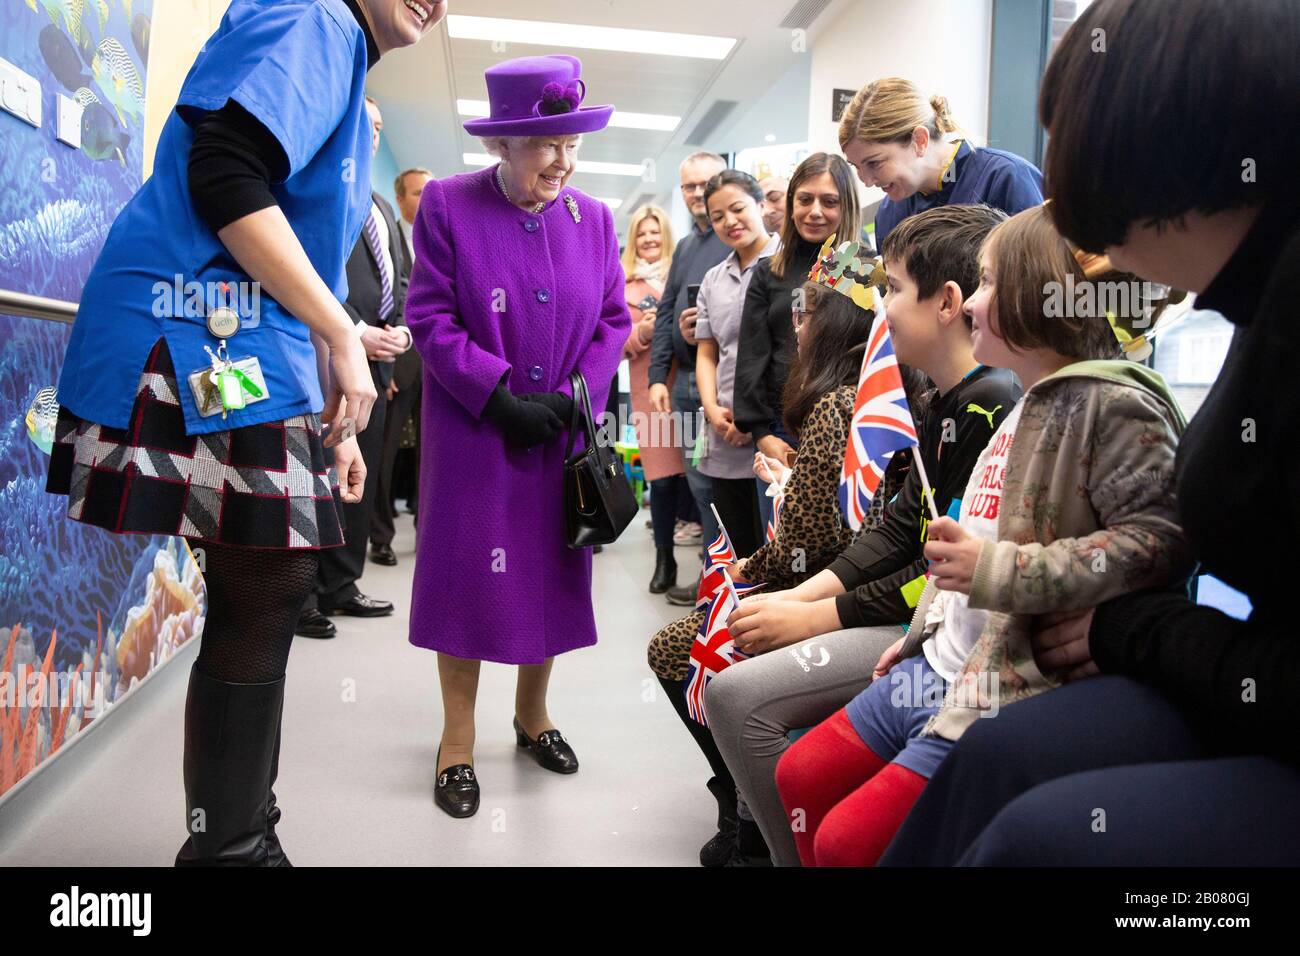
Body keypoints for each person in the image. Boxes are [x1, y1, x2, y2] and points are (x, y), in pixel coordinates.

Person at [883, 0, 1300, 867]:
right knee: (998, 759)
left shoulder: (1103, 398)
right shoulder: (1255, 302)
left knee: (1039, 841)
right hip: (1214, 664)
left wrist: (1135, 634)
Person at [45, 0, 446, 865]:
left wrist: (331, 408)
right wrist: (341, 335)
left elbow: (285, 247)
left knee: (268, 579)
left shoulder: (341, 54)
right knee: (268, 577)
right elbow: (227, 174)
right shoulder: (320, 18)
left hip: (238, 340)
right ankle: (230, 847)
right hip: (190, 326)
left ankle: (235, 838)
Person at [777, 204, 1193, 867]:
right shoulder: (1025, 402)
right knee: (801, 774)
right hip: (938, 660)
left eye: (990, 283)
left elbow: (1157, 543)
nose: (972, 300)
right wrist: (922, 631)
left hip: (1000, 686)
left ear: (1036, 297)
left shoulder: (1115, 404)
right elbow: (963, 548)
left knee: (846, 841)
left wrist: (996, 569)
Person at [707, 204, 1019, 865]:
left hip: (939, 641)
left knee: (736, 696)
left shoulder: (991, 404)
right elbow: (901, 530)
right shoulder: (938, 399)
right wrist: (800, 601)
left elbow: (930, 580)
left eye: (894, 290)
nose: (880, 307)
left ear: (947, 302)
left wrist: (818, 617)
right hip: (914, 631)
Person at [404, 54, 630, 819]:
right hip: (476, 437)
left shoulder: (595, 220)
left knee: (551, 580)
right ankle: (457, 744)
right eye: (545, 144)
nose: (563, 160)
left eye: (572, 142)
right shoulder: (447, 205)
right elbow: (428, 317)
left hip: (562, 439)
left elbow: (613, 322)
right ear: (501, 146)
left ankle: (533, 717)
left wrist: (578, 395)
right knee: (469, 582)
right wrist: (495, 394)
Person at [648, 241, 915, 866]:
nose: (797, 324)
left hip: (840, 594)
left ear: (834, 321)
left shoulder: (832, 406)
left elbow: (805, 542)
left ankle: (745, 812)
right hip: (849, 580)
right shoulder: (882, 395)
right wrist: (791, 485)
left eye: (807, 311)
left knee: (670, 649)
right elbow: (847, 518)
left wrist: (748, 569)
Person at [298, 96, 410, 635]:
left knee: (361, 476)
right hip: (327, 354)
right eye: (366, 125)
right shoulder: (321, 190)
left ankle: (343, 585)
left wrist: (402, 329)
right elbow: (307, 274)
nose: (372, 136)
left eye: (379, 128)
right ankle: (303, 597)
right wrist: (354, 332)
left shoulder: (381, 206)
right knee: (317, 472)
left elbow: (405, 278)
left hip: (382, 366)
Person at [733, 153, 860, 533]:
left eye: (829, 201)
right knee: (780, 544)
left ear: (847, 206)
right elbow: (752, 357)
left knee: (834, 545)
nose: (815, 211)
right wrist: (762, 435)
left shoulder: (864, 271)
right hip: (780, 434)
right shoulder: (768, 271)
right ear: (790, 205)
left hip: (845, 433)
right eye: (805, 199)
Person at [647, 152, 730, 606]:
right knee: (698, 483)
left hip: (723, 384)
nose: (698, 193)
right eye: (689, 187)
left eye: (706, 184)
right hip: (683, 383)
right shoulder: (685, 247)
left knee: (721, 486)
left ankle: (719, 582)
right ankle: (710, 577)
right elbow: (664, 314)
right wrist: (658, 375)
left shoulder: (733, 238)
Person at [838, 76, 1044, 249]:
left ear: (919, 140)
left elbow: (1040, 276)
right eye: (856, 166)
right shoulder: (889, 214)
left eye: (874, 163)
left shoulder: (1006, 179)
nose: (866, 181)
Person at [695, 170, 778, 559]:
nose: (729, 221)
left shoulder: (788, 263)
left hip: (773, 429)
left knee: (775, 544)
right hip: (724, 428)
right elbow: (707, 351)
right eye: (717, 216)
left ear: (761, 206)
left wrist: (753, 421)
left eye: (738, 208)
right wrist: (712, 409)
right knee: (735, 545)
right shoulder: (713, 279)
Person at [369, 168, 434, 566]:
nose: (428, 198)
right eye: (419, 192)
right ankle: (381, 537)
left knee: (435, 455)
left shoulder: (446, 237)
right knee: (384, 454)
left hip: (442, 370)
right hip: (400, 365)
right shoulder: (390, 236)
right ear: (402, 200)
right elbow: (385, 301)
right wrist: (387, 368)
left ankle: (429, 535)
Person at [620, 204, 686, 594]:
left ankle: (716, 562)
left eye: (655, 232)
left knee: (698, 480)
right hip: (651, 393)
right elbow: (611, 342)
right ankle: (666, 560)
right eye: (642, 233)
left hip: (693, 384)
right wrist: (642, 332)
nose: (649, 239)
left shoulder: (683, 274)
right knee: (662, 482)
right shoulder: (621, 285)